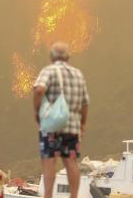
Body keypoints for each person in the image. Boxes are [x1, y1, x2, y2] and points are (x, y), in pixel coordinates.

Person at [33, 41, 90, 198]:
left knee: (50, 160)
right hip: (72, 127)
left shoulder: (49, 71)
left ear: (51, 56)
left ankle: (48, 196)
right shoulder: (78, 74)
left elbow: (39, 90)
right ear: (68, 57)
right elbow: (85, 103)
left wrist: (37, 111)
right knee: (71, 161)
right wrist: (82, 124)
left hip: (51, 126)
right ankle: (73, 196)